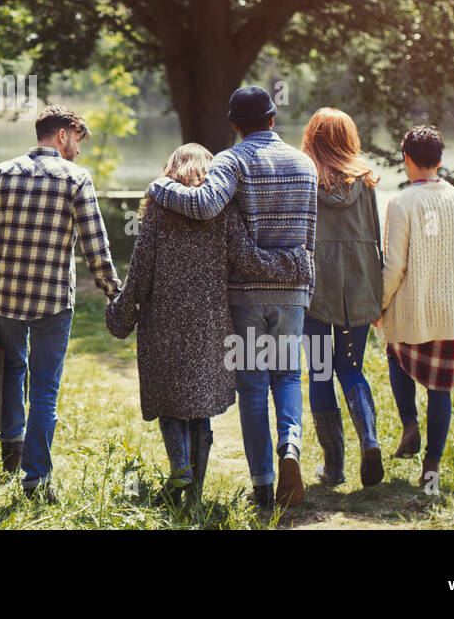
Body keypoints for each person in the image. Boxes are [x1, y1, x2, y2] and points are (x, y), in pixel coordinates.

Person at [105, 143, 313, 512]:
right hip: (212, 323)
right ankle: (196, 495)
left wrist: (121, 313)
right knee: (199, 403)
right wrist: (293, 263)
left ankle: (180, 466)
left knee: (171, 400)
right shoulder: (224, 212)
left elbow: (138, 273)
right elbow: (248, 259)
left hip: (163, 322)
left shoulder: (157, 213)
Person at [145, 86, 317, 511]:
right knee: (289, 377)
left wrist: (158, 187)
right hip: (292, 290)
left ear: (235, 125)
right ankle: (290, 447)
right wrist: (301, 280)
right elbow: (311, 236)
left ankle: (261, 483)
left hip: (246, 294)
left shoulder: (233, 160)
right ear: (274, 119)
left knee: (254, 387)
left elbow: (203, 206)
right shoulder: (305, 164)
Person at [0, 104, 122, 502]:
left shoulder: (1, 173)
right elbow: (97, 247)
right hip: (53, 302)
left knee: (13, 372)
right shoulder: (75, 179)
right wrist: (116, 294)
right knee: (44, 389)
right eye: (77, 140)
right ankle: (36, 479)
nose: (78, 149)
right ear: (63, 135)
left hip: (5, 300)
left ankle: (12, 453)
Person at [375, 124, 454, 496]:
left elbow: (394, 267)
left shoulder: (402, 202)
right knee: (440, 389)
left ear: (406, 158)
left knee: (395, 354)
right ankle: (431, 466)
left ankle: (409, 425)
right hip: (453, 313)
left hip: (413, 310)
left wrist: (379, 305)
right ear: (440, 158)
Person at [299, 108, 385, 488]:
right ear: (349, 138)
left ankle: (334, 468)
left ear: (312, 138)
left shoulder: (306, 179)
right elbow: (376, 239)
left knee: (320, 371)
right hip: (359, 287)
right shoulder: (366, 182)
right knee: (350, 367)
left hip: (318, 290)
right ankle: (370, 439)